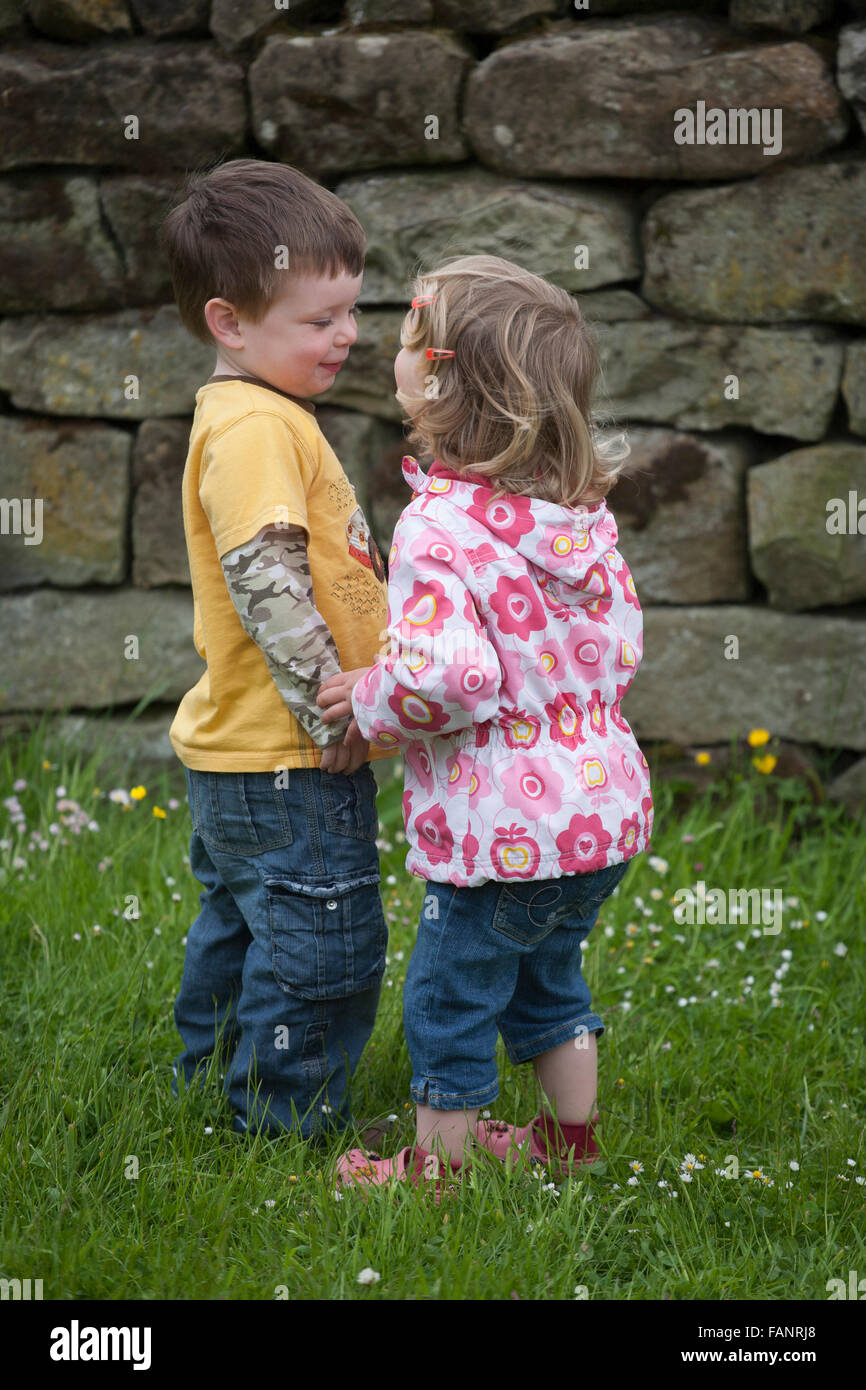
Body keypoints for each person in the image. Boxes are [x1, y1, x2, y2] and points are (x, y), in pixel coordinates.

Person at [316, 255, 654, 1192]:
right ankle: (571, 1140)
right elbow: (619, 642)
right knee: (549, 978)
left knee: (449, 996)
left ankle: (438, 1167)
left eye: (403, 338)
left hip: (507, 829)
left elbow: (451, 678)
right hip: (603, 810)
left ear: (439, 377)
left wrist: (373, 693)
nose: (383, 349)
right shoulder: (579, 518)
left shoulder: (439, 527)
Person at [160, 158, 394, 1139]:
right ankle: (282, 1124)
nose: (346, 335)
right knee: (320, 945)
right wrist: (330, 703)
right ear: (229, 322)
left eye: (348, 311)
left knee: (242, 926)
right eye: (318, 319)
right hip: (292, 754)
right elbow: (265, 576)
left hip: (244, 758)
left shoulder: (252, 412)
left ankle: (206, 1084)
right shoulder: (256, 424)